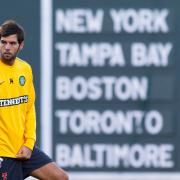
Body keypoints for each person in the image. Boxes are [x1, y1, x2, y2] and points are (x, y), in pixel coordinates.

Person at [0, 20, 69, 180]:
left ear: (21, 45)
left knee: (60, 177)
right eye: (3, 42)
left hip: (22, 149)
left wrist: (29, 143)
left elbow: (29, 108)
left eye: (12, 43)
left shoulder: (25, 69)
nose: (7, 47)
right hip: (3, 152)